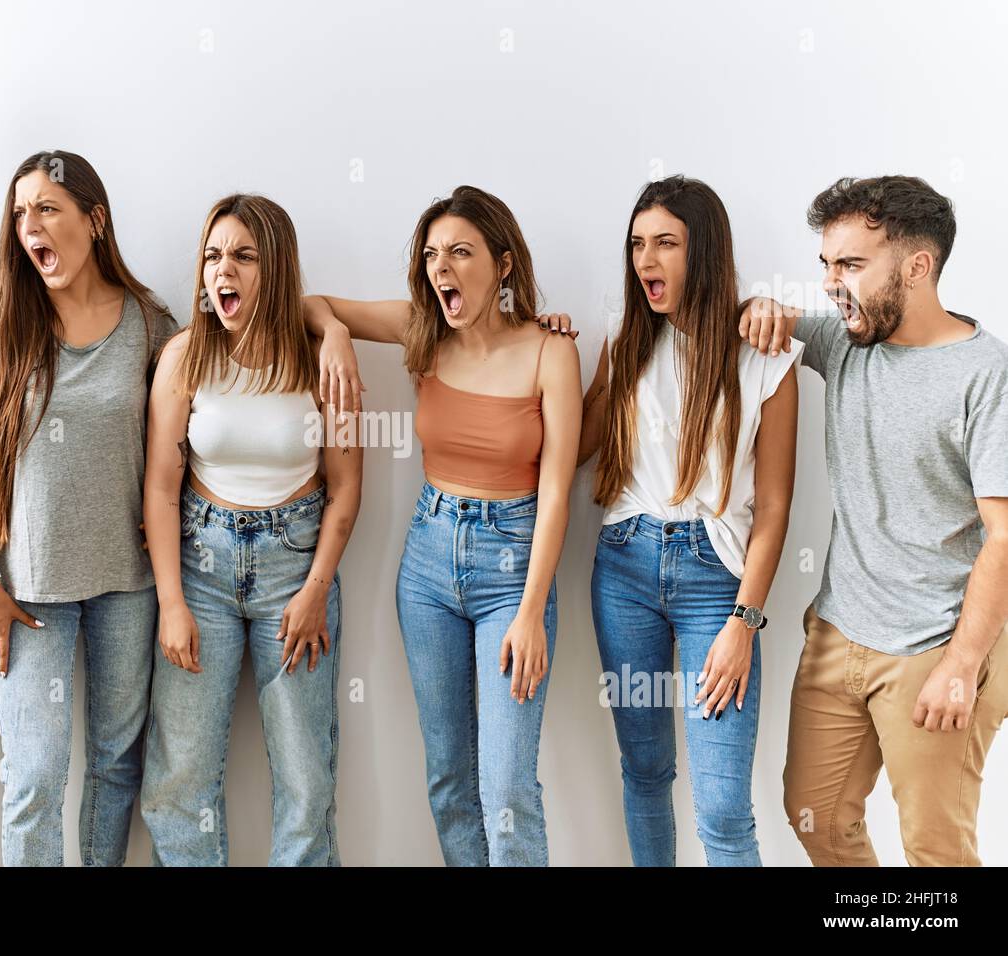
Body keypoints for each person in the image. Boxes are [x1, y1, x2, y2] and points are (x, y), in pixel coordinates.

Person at [303, 185, 581, 866]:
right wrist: (335, 335)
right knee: (450, 779)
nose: (442, 268)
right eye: (432, 255)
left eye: (461, 252)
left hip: (513, 568)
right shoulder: (422, 330)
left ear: (504, 263)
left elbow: (556, 491)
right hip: (427, 562)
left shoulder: (551, 352)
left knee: (507, 787)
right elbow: (309, 303)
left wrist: (532, 611)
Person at [742, 175, 1008, 866]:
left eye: (852, 265)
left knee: (937, 852)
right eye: (827, 265)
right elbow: (753, 318)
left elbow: (1005, 536)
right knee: (816, 818)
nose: (833, 283)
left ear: (917, 267)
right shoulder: (845, 342)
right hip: (838, 632)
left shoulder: (986, 375)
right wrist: (760, 305)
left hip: (936, 646)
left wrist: (963, 663)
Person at [0, 151, 177, 866]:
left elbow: (179, 445)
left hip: (128, 583)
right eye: (20, 213)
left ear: (94, 219)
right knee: (36, 776)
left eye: (47, 207)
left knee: (116, 765)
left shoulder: (150, 323)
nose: (30, 226)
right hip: (28, 591)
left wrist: (325, 324)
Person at [577, 176, 800, 866]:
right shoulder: (627, 341)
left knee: (724, 810)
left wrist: (745, 622)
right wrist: (556, 345)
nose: (647, 258)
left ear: (702, 251)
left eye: (665, 243)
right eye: (638, 244)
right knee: (645, 775)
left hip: (716, 583)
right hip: (624, 567)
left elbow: (777, 506)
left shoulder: (765, 356)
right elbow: (578, 444)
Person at [139, 194, 362, 866]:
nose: (222, 270)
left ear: (276, 267)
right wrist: (172, 603)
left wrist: (317, 587)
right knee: (180, 776)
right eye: (212, 256)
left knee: (305, 775)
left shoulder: (321, 361)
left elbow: (347, 486)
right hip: (199, 565)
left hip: (296, 568)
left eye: (242, 256)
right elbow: (159, 484)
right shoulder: (184, 356)